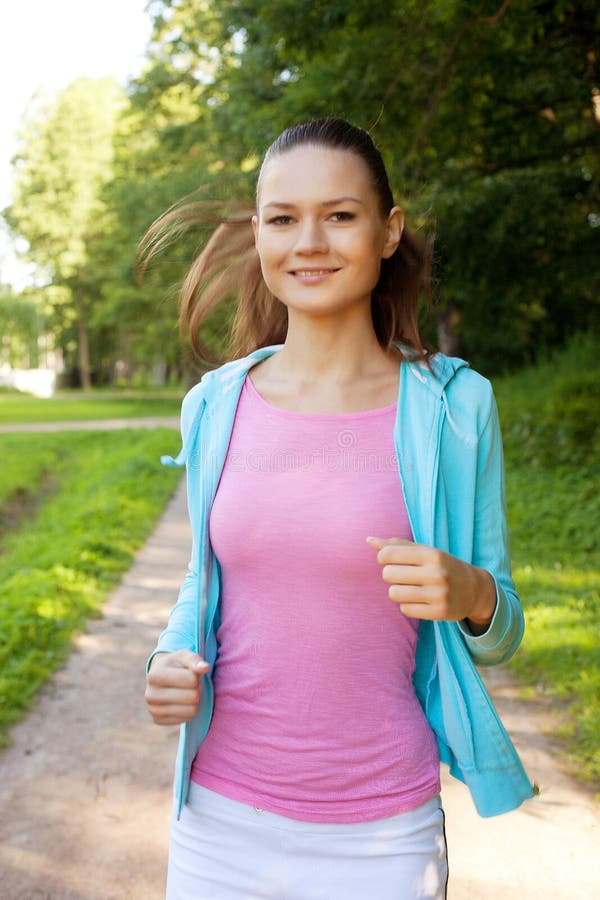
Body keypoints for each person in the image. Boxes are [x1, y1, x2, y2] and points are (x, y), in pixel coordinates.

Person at [143, 117, 535, 900]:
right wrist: (168, 656)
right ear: (260, 235)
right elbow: (205, 580)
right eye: (283, 219)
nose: (309, 242)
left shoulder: (455, 407)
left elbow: (502, 634)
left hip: (383, 837)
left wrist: (472, 592)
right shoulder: (213, 404)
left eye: (341, 215)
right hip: (218, 824)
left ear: (388, 231)